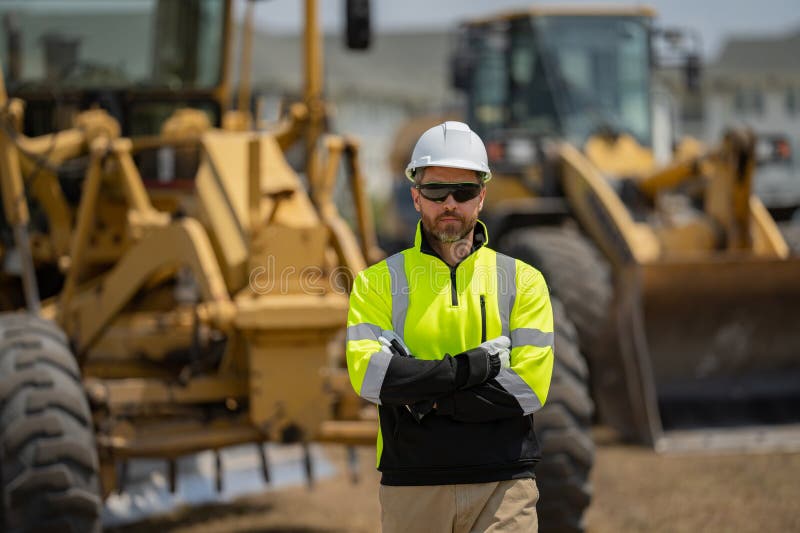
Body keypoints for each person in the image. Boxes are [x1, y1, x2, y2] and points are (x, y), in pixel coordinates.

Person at [345, 121, 554, 532]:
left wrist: (428, 400)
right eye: (436, 191)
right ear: (415, 197)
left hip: (504, 486)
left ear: (482, 196)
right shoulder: (376, 283)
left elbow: (528, 389)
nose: (450, 203)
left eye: (464, 191)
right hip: (413, 488)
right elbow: (372, 379)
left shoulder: (523, 281)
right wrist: (473, 368)